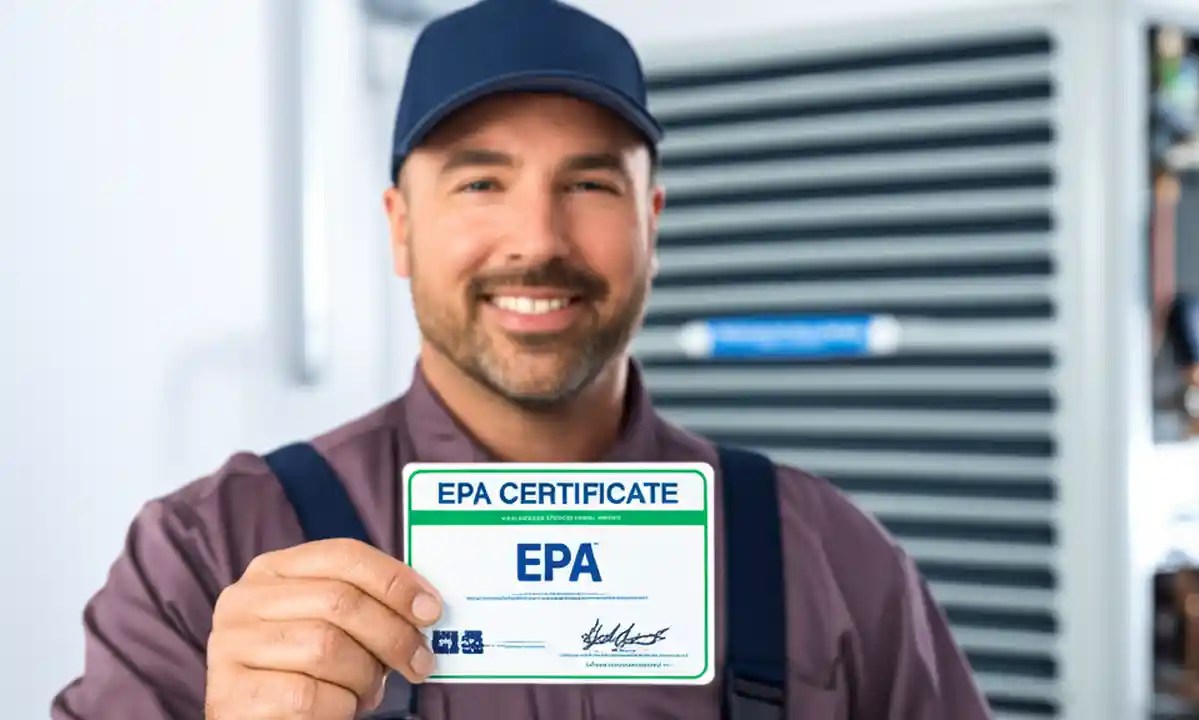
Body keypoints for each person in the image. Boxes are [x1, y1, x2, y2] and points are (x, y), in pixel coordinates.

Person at [51, 1, 993, 718]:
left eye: (588, 182)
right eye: (480, 182)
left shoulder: (831, 559)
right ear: (401, 228)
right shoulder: (206, 557)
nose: (536, 239)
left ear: (650, 225)